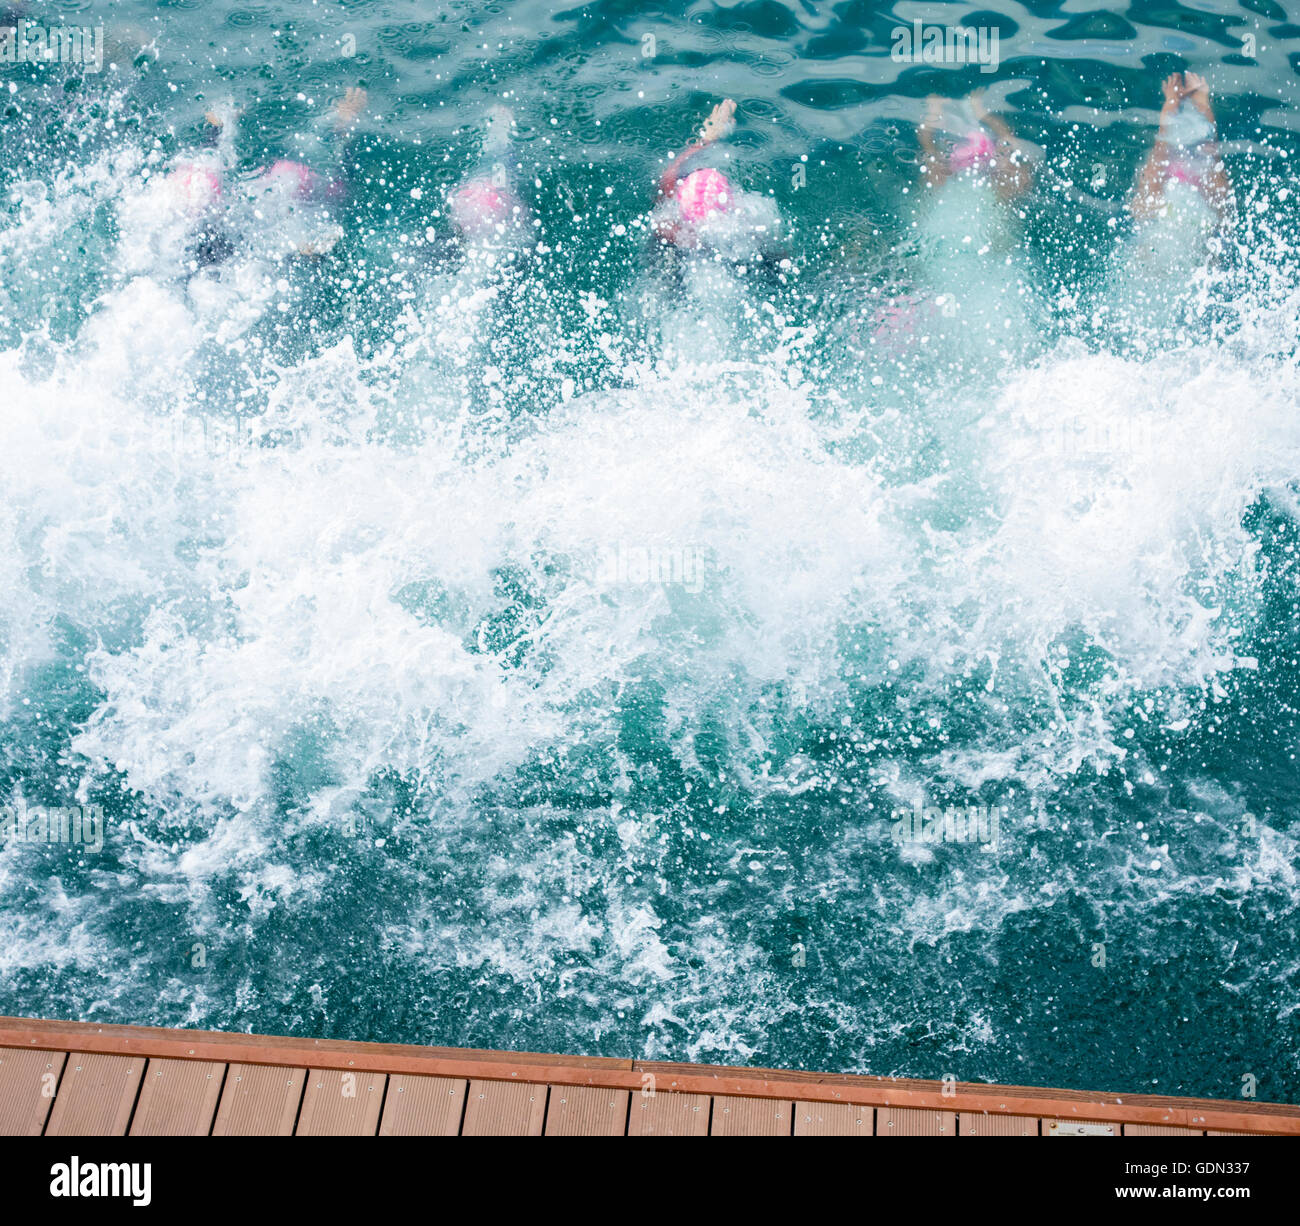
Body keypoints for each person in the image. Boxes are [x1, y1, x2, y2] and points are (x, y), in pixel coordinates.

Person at [1129, 72, 1232, 233]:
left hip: (1169, 219)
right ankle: (1195, 103)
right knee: (1219, 202)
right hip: (1197, 221)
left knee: (1150, 192)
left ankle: (1177, 102)